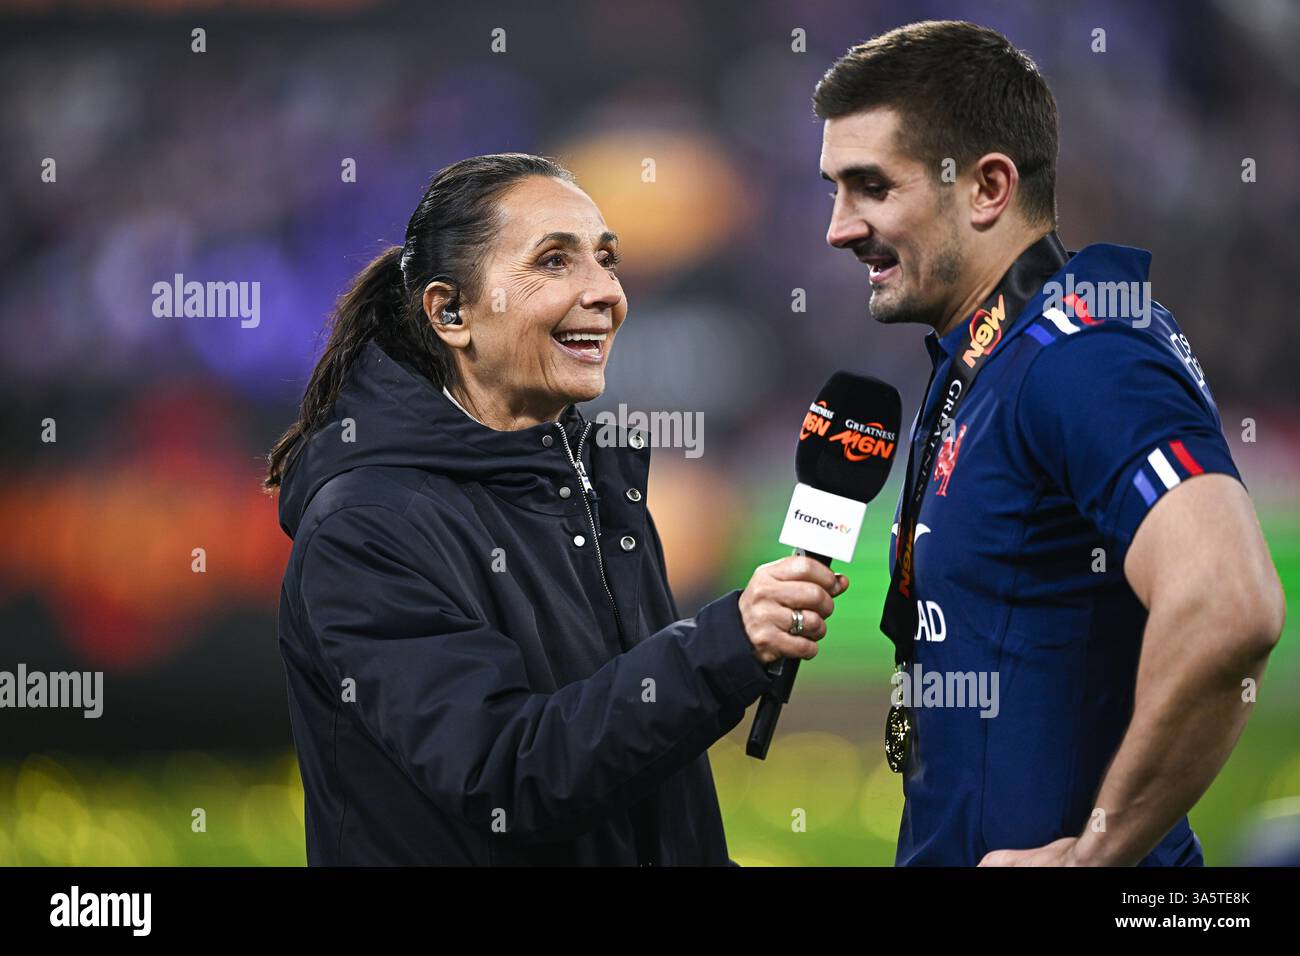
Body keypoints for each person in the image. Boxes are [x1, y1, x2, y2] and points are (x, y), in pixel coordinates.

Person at [265, 153, 846, 865]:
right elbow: (507, 775)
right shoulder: (367, 525)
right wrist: (723, 643)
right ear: (450, 312)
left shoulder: (594, 485)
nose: (606, 292)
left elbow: (642, 790)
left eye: (607, 260)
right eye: (554, 262)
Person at [814, 21, 1284, 866]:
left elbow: (1230, 606)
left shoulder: (1083, 353)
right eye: (834, 190)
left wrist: (1094, 857)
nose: (838, 228)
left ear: (989, 186)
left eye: (871, 187)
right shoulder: (988, 356)